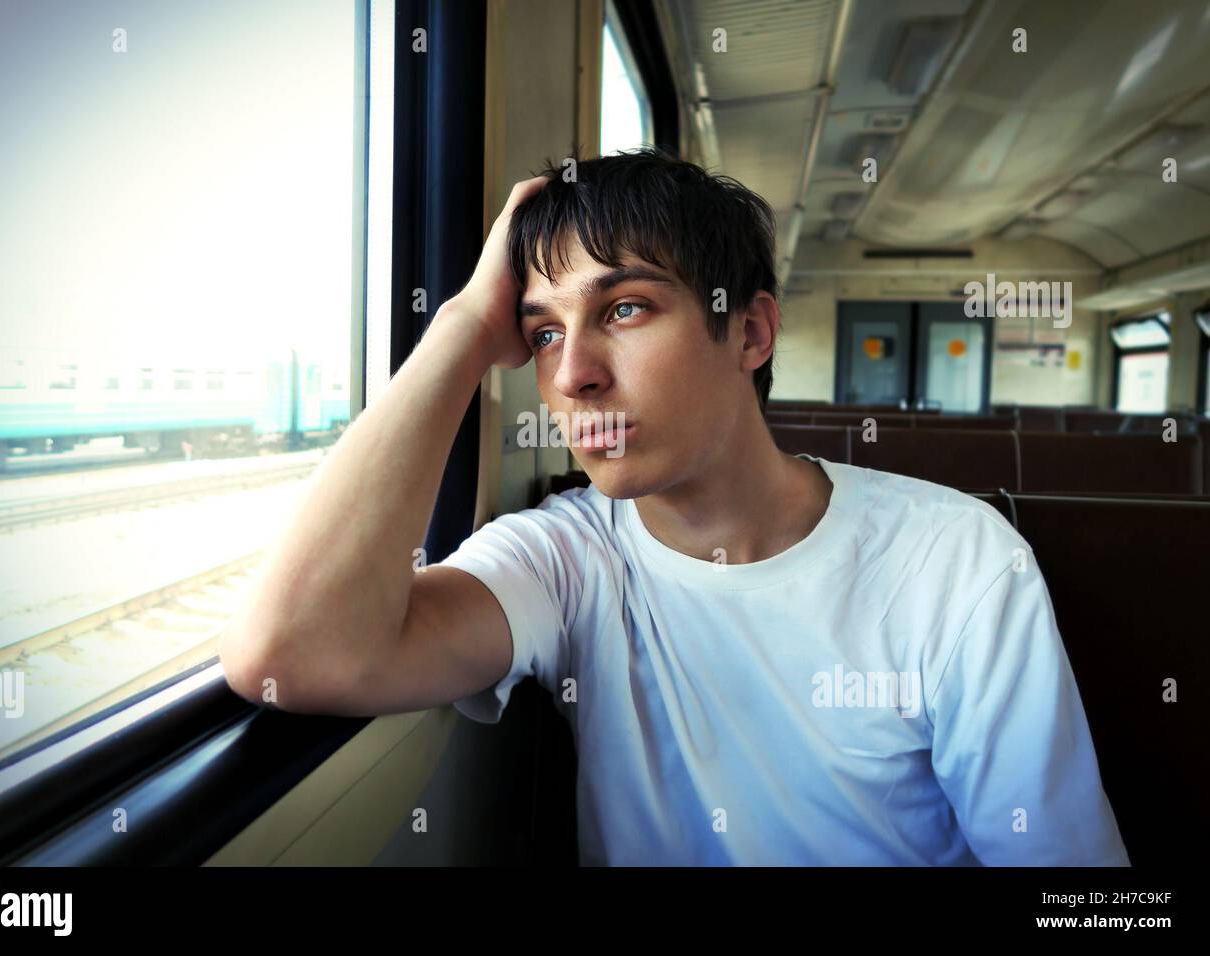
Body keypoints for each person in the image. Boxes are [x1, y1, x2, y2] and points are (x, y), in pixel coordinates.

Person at [218, 148, 1130, 867]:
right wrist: (460, 325)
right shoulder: (566, 560)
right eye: (541, 331)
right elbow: (290, 658)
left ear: (751, 331)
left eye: (624, 310)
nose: (572, 375)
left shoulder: (954, 558)